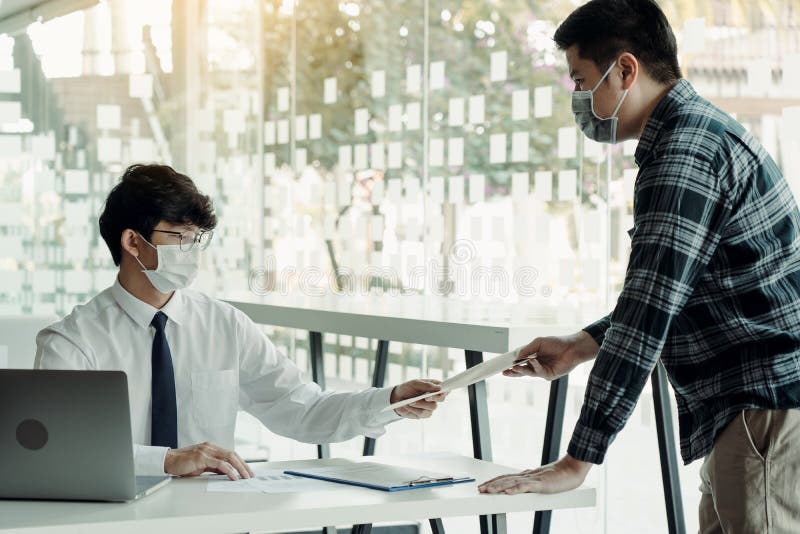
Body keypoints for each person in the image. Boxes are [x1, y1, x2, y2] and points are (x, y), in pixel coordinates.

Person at [478, 0, 800, 531]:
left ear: (625, 69)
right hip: (751, 411)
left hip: (763, 412)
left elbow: (648, 312)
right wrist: (581, 345)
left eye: (582, 81)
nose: (578, 99)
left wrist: (577, 460)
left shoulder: (683, 156)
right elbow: (675, 291)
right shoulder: (699, 137)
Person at [35, 164, 446, 480]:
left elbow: (303, 410)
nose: (193, 250)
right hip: (117, 523)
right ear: (132, 242)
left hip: (213, 518)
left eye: (199, 238)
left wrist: (390, 400)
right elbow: (58, 448)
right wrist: (168, 460)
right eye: (181, 237)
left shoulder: (225, 325)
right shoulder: (72, 342)